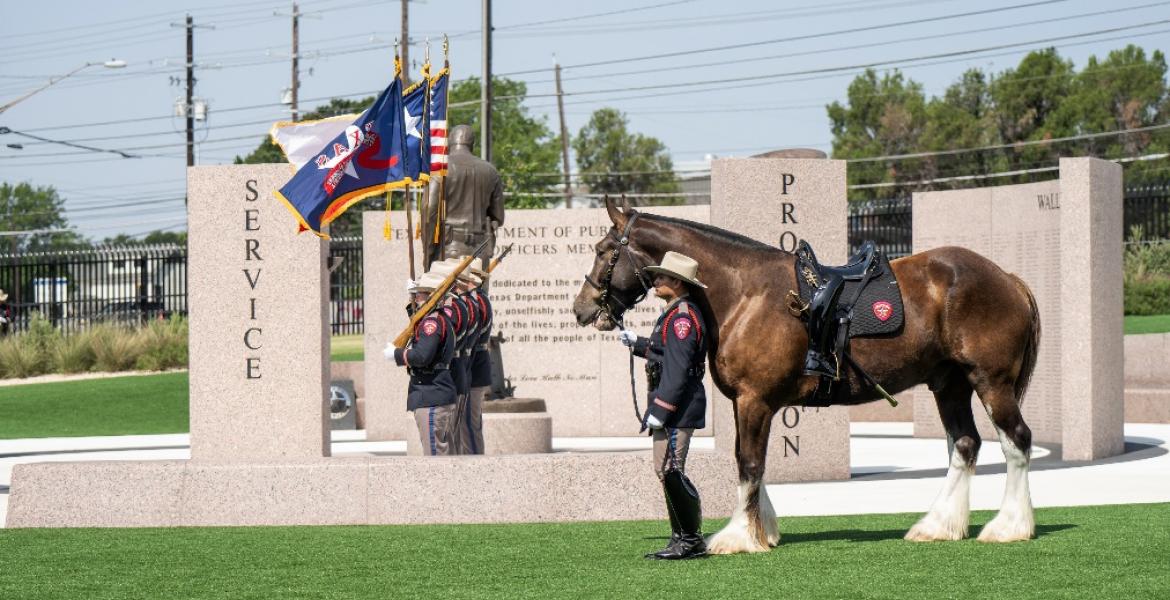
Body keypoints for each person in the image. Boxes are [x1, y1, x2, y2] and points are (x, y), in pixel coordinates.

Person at [618, 251, 710, 560]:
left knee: (672, 470)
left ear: (678, 283)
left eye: (661, 277)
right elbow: (664, 352)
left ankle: (691, 539)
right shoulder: (674, 312)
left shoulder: (682, 316)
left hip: (676, 408)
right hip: (672, 406)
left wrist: (660, 409)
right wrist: (640, 344)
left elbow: (678, 368)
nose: (655, 281)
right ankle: (680, 537)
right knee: (666, 470)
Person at [385, 272, 458, 456]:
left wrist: (397, 354)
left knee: (434, 457)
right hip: (434, 393)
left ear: (432, 296)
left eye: (421, 293)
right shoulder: (436, 318)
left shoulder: (431, 322)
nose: (416, 297)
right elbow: (417, 321)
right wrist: (412, 304)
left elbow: (422, 356)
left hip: (431, 395)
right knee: (439, 453)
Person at [424, 124, 505, 271]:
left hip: (448, 250)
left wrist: (428, 252)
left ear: (450, 143)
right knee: (477, 294)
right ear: (472, 145)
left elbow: (429, 210)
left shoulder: (439, 169)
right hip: (480, 252)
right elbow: (498, 217)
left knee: (447, 294)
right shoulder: (491, 171)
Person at [444, 257, 492, 454]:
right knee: (462, 426)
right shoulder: (475, 300)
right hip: (470, 366)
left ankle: (475, 463)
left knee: (468, 426)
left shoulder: (474, 302)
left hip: (473, 367)